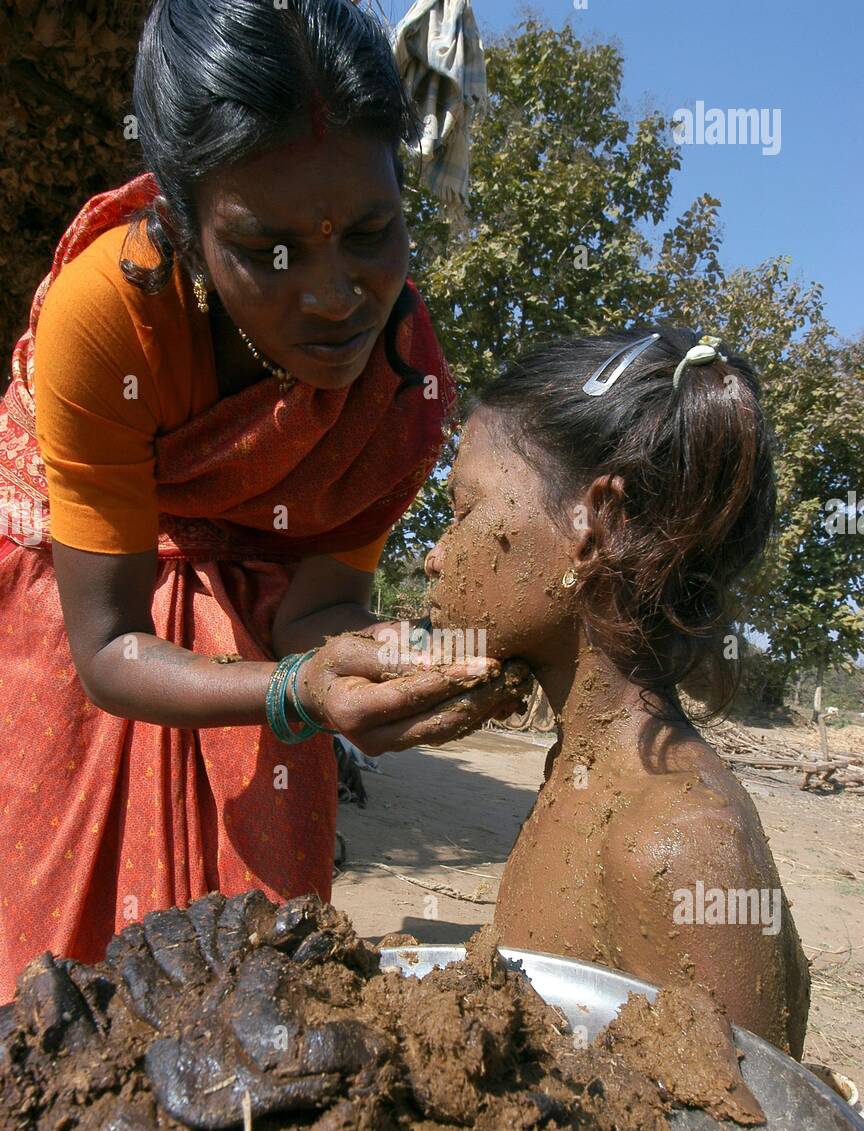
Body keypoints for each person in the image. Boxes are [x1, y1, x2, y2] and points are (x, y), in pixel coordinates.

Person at [0, 0, 529, 1001]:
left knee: (266, 991)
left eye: (373, 233)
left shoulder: (400, 394)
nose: (334, 294)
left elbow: (313, 614)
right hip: (68, 620)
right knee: (58, 986)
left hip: (247, 654)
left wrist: (391, 662)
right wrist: (295, 692)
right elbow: (108, 646)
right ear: (185, 227)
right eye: (267, 251)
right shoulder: (110, 319)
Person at [424, 328, 810, 1055]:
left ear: (596, 524)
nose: (434, 553)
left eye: (463, 507)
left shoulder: (679, 845)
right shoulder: (583, 774)